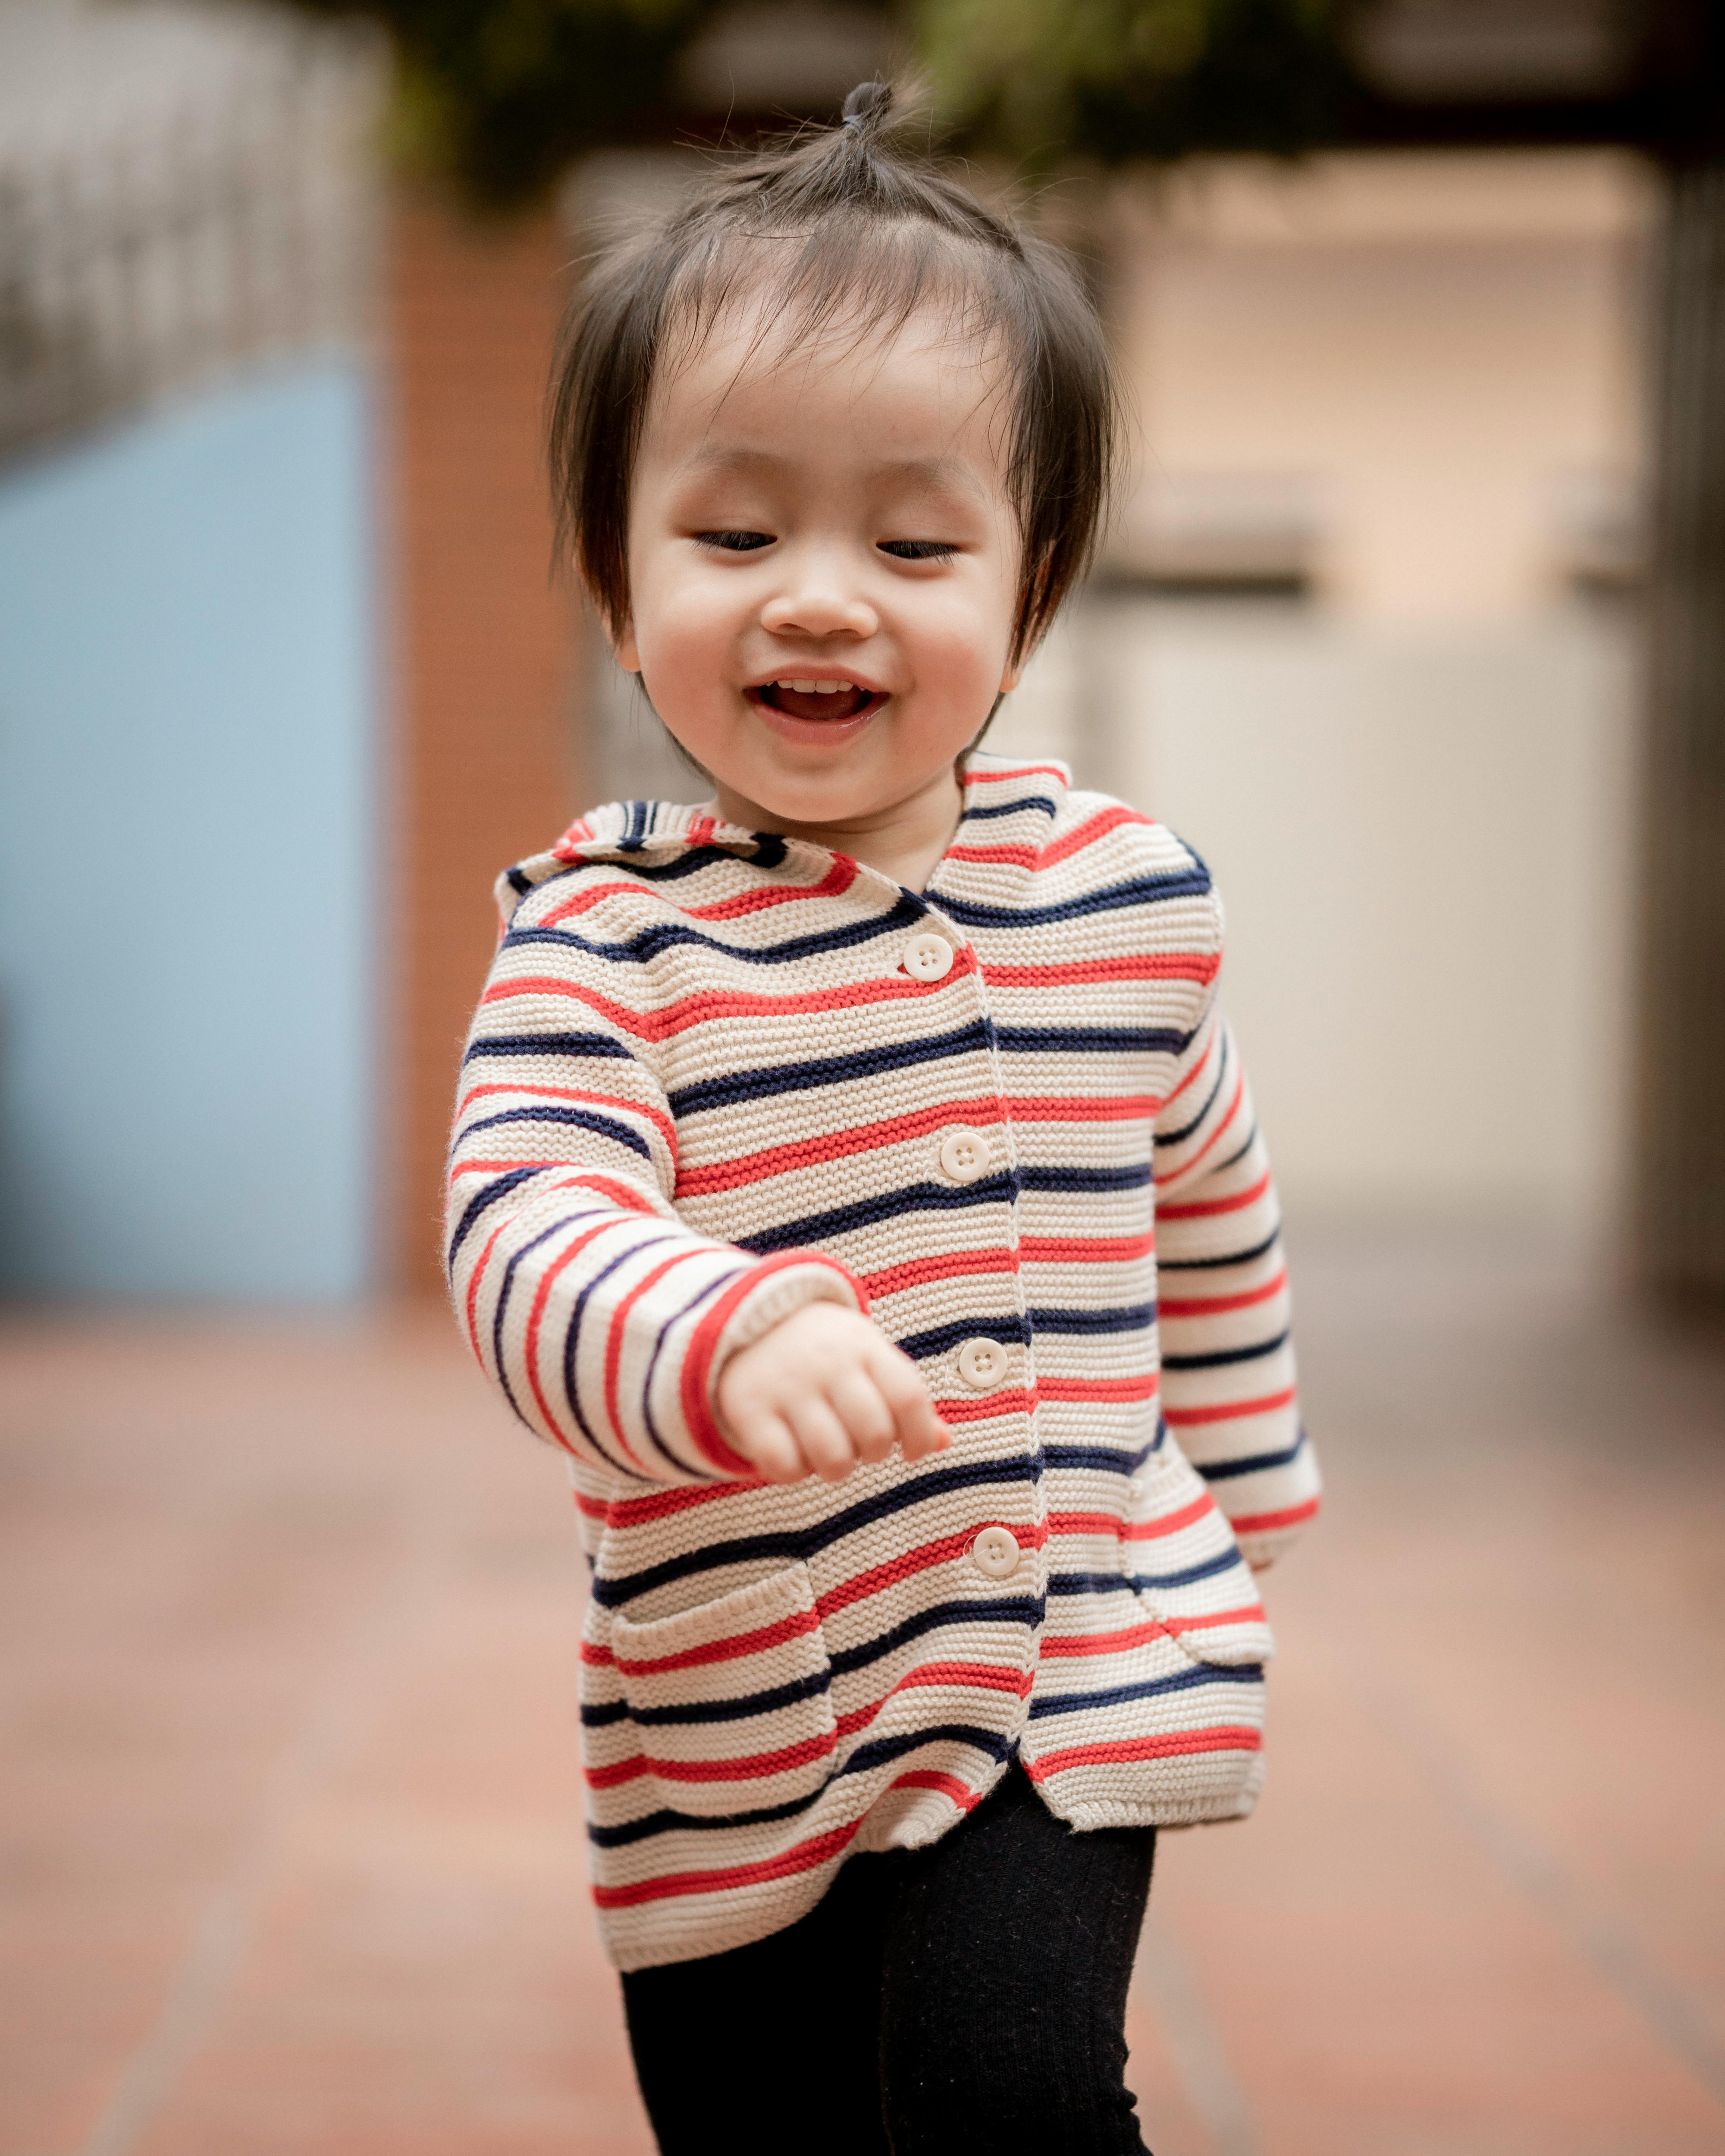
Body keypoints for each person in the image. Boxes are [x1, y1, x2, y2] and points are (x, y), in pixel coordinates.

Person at [446, 80, 1320, 2155]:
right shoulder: (603, 941)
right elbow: (521, 1226)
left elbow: (1203, 1186)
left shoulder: (1125, 897)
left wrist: (1242, 1482)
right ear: (615, 580)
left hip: (1069, 1657)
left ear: (1028, 588)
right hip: (742, 1709)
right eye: (735, 535)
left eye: (915, 543)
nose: (822, 597)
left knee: (1008, 2093)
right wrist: (714, 1327)